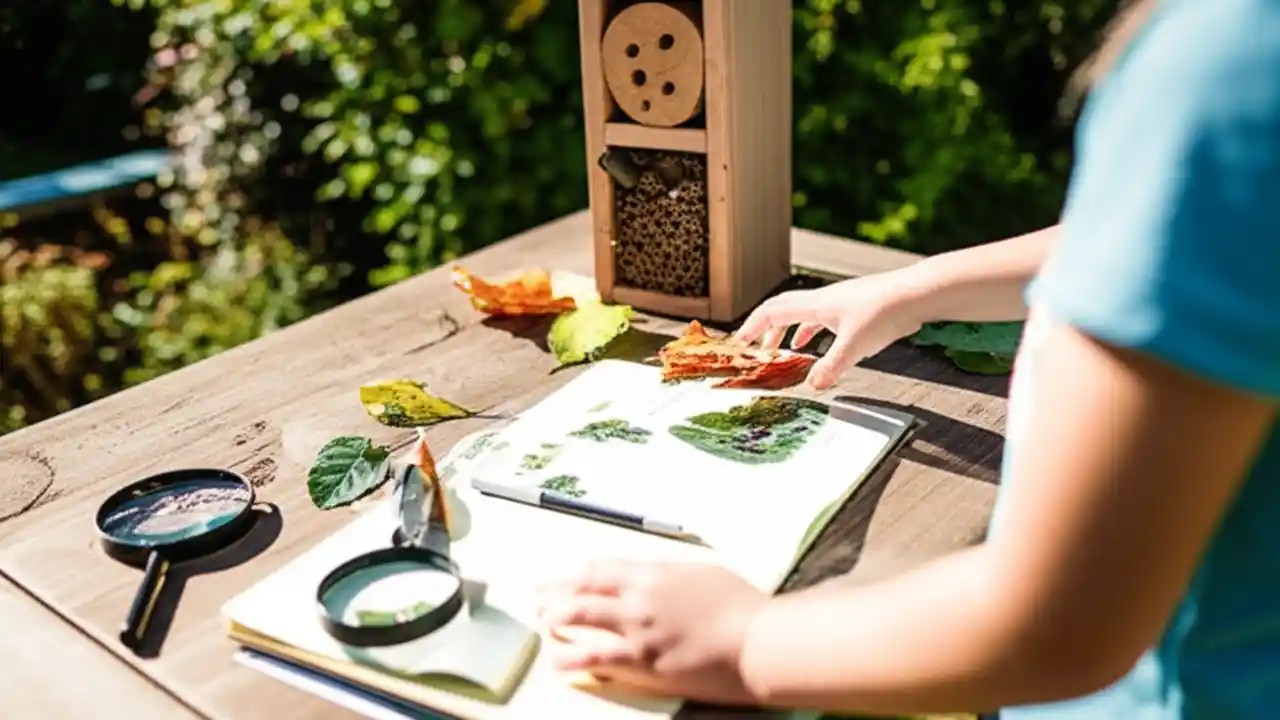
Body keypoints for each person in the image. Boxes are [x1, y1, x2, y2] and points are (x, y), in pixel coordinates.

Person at [534, 0, 1280, 716]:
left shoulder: (1231, 61)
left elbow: (1067, 619)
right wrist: (915, 290)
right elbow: (1159, 239)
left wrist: (746, 643)